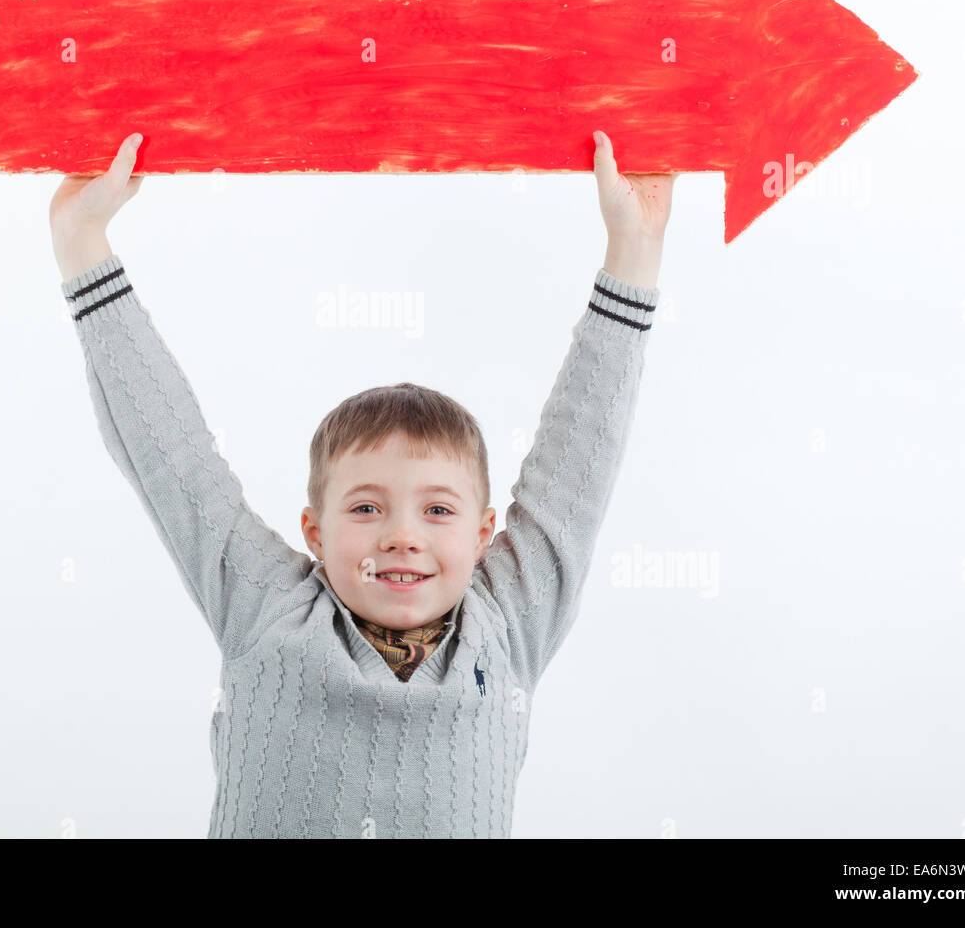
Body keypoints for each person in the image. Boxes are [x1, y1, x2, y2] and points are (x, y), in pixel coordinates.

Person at [50, 130, 674, 837]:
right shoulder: (265, 610)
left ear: (482, 534)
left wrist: (635, 249)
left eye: (437, 509)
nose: (402, 535)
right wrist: (82, 239)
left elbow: (576, 469)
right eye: (366, 506)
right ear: (314, 531)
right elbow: (171, 454)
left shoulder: (508, 630)